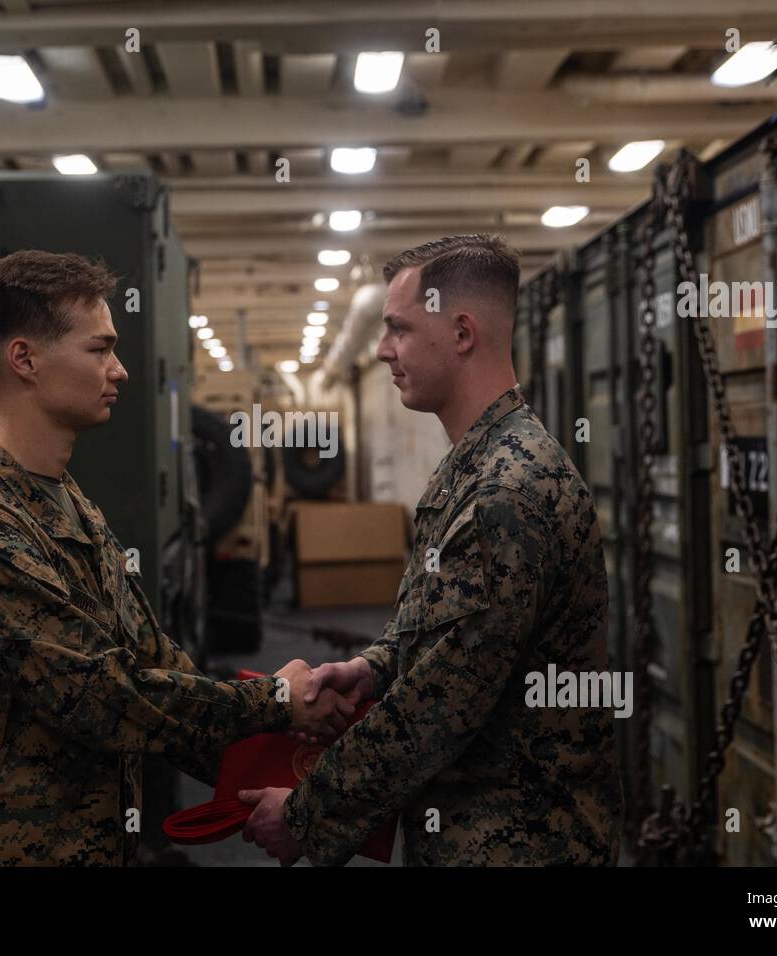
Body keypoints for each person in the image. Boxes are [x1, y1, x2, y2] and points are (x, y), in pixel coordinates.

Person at [0, 250, 353, 866]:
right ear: (25, 359)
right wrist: (274, 702)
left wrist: (279, 732)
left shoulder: (68, 504)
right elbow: (104, 696)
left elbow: (150, 657)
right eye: (99, 350)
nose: (120, 370)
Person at [241, 234, 624, 866]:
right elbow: (443, 637)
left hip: (521, 845)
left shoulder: (506, 491)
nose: (383, 350)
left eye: (398, 329)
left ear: (462, 333)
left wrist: (308, 813)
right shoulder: (470, 470)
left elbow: (438, 708)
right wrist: (374, 667)